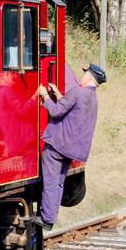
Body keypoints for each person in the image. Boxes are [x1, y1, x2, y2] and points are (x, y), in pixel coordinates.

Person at [35, 63, 106, 230]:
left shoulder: (77, 92)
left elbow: (56, 112)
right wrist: (58, 94)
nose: (82, 77)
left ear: (89, 77)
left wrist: (44, 96)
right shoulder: (91, 98)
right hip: (73, 150)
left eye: (85, 74)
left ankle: (46, 219)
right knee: (59, 182)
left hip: (58, 145)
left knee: (51, 182)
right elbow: (70, 106)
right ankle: (51, 216)